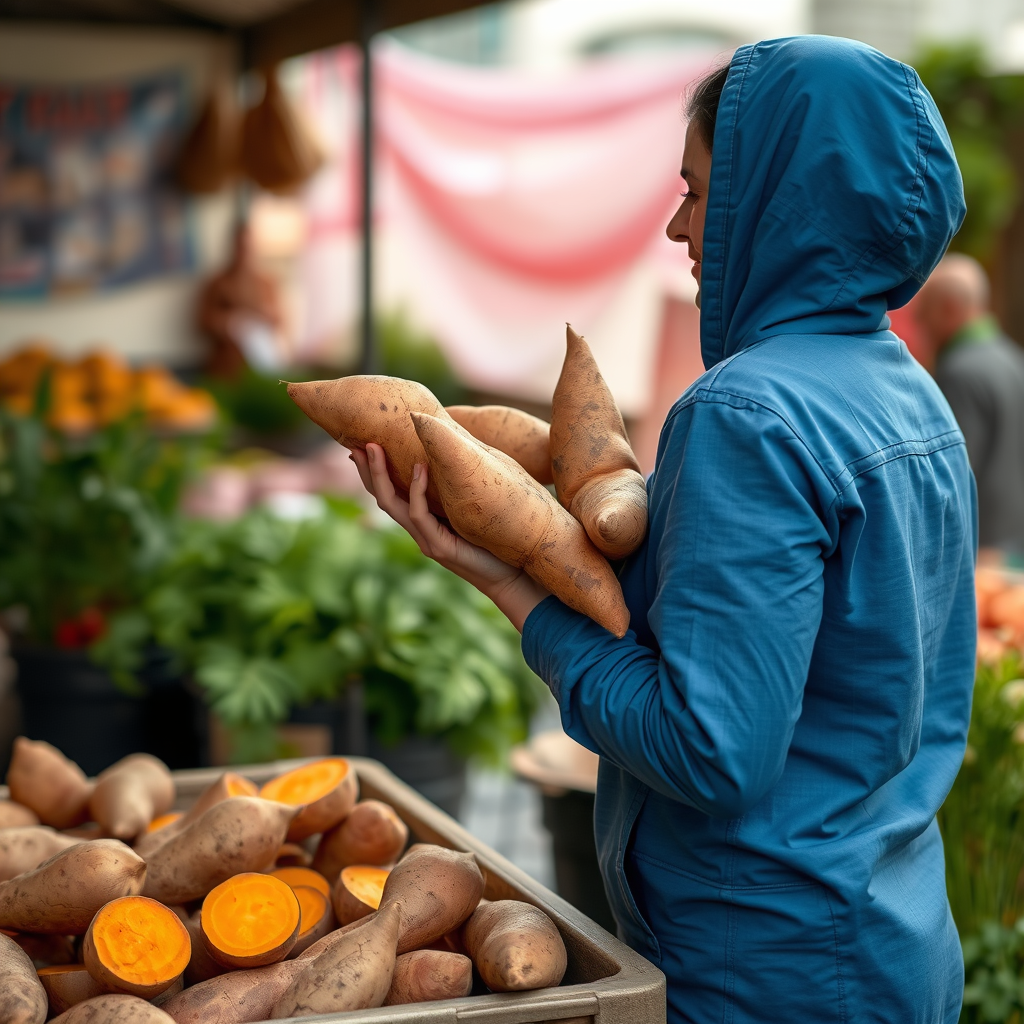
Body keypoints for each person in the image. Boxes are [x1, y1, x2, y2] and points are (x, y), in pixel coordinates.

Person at [352, 36, 975, 1024]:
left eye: (697, 191)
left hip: (765, 975)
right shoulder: (910, 398)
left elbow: (708, 750)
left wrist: (513, 590)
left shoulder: (744, 413)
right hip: (888, 937)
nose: (679, 225)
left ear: (777, 198)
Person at [916, 253, 1024, 556]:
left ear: (949, 308)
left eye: (925, 312)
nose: (921, 323)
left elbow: (953, 473)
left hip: (982, 548)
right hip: (1015, 539)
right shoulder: (1012, 357)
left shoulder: (959, 371)